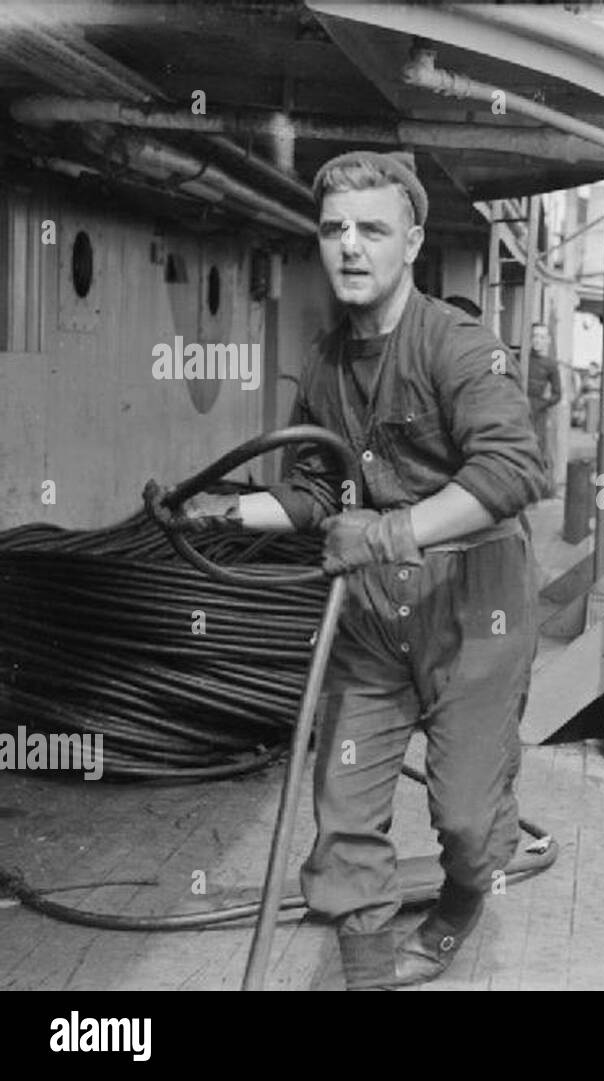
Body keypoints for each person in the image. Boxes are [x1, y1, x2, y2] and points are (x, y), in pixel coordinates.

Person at [147, 149, 547, 990]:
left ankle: (460, 903)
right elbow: (312, 493)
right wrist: (210, 510)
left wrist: (391, 531)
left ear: (412, 238)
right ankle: (365, 975)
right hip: (370, 619)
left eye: (371, 228)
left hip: (475, 611)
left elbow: (513, 472)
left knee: (468, 823)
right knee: (344, 818)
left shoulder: (458, 345)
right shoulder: (327, 363)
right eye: (333, 229)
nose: (350, 247)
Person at [525, 322, 564, 496]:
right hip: (517, 409)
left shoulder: (550, 364)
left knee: (537, 451)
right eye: (534, 336)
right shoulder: (520, 357)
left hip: (537, 413)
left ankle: (538, 490)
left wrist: (539, 405)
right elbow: (499, 368)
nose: (537, 340)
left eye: (541, 337)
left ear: (548, 340)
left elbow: (557, 394)